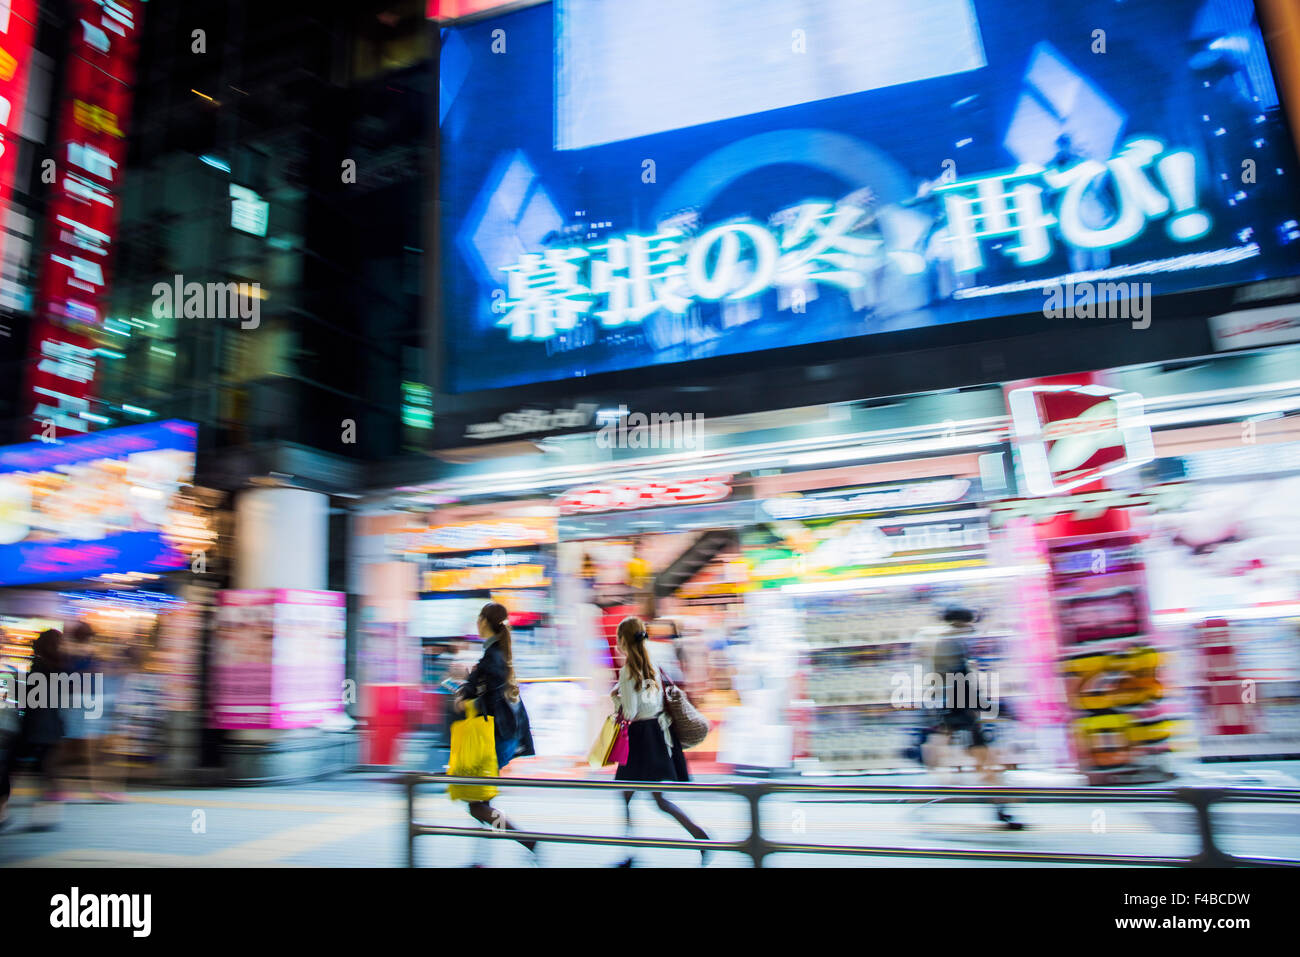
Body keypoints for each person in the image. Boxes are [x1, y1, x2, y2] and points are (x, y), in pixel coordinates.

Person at [610, 615, 710, 867]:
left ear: (623, 641)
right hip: (657, 735)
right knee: (658, 799)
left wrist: (616, 699)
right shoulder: (652, 664)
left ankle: (631, 852)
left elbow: (630, 713)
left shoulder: (627, 671)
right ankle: (699, 836)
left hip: (639, 740)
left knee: (627, 795)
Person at [922, 607, 1025, 830]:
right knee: (984, 760)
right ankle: (1000, 807)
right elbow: (959, 683)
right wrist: (988, 706)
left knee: (980, 760)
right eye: (968, 624)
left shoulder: (945, 642)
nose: (971, 628)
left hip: (955, 711)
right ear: (960, 623)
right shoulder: (950, 644)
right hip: (960, 711)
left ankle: (999, 807)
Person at [452, 602, 538, 861]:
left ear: (484, 622)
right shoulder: (496, 654)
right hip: (500, 735)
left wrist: (464, 701)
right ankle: (483, 858)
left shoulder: (493, 658)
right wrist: (469, 685)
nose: (476, 623)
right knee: (480, 803)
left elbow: (489, 700)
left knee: (477, 806)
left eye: (478, 618)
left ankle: (527, 840)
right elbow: (487, 688)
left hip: (494, 737)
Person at [0, 629, 67, 831]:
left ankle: (2, 813)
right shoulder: (62, 670)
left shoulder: (36, 668)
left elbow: (22, 700)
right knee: (47, 774)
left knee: (9, 772)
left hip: (31, 729)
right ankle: (46, 816)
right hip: (53, 731)